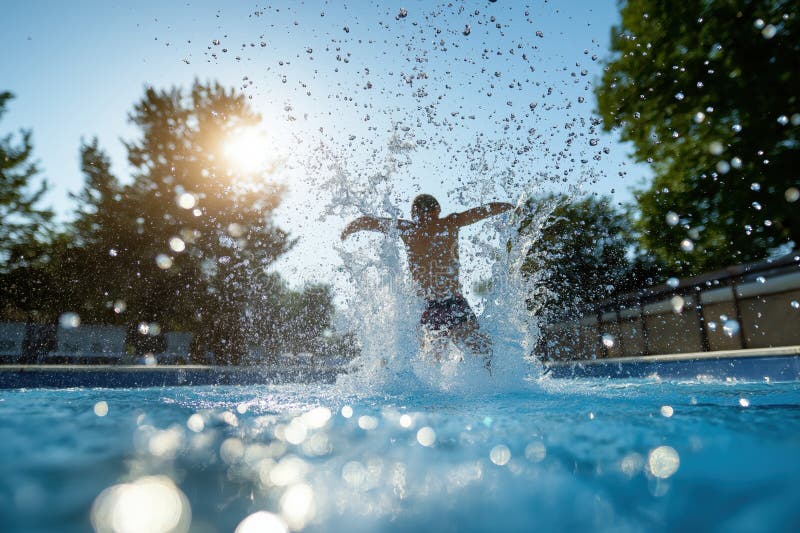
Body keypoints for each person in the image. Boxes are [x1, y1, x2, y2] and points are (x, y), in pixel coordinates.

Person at [341, 194, 514, 374]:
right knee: (482, 352)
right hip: (451, 304)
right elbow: (483, 211)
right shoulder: (449, 223)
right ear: (437, 209)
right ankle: (488, 379)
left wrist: (352, 226)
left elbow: (372, 222)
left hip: (427, 306)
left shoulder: (408, 228)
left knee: (431, 361)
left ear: (414, 213)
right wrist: (510, 206)